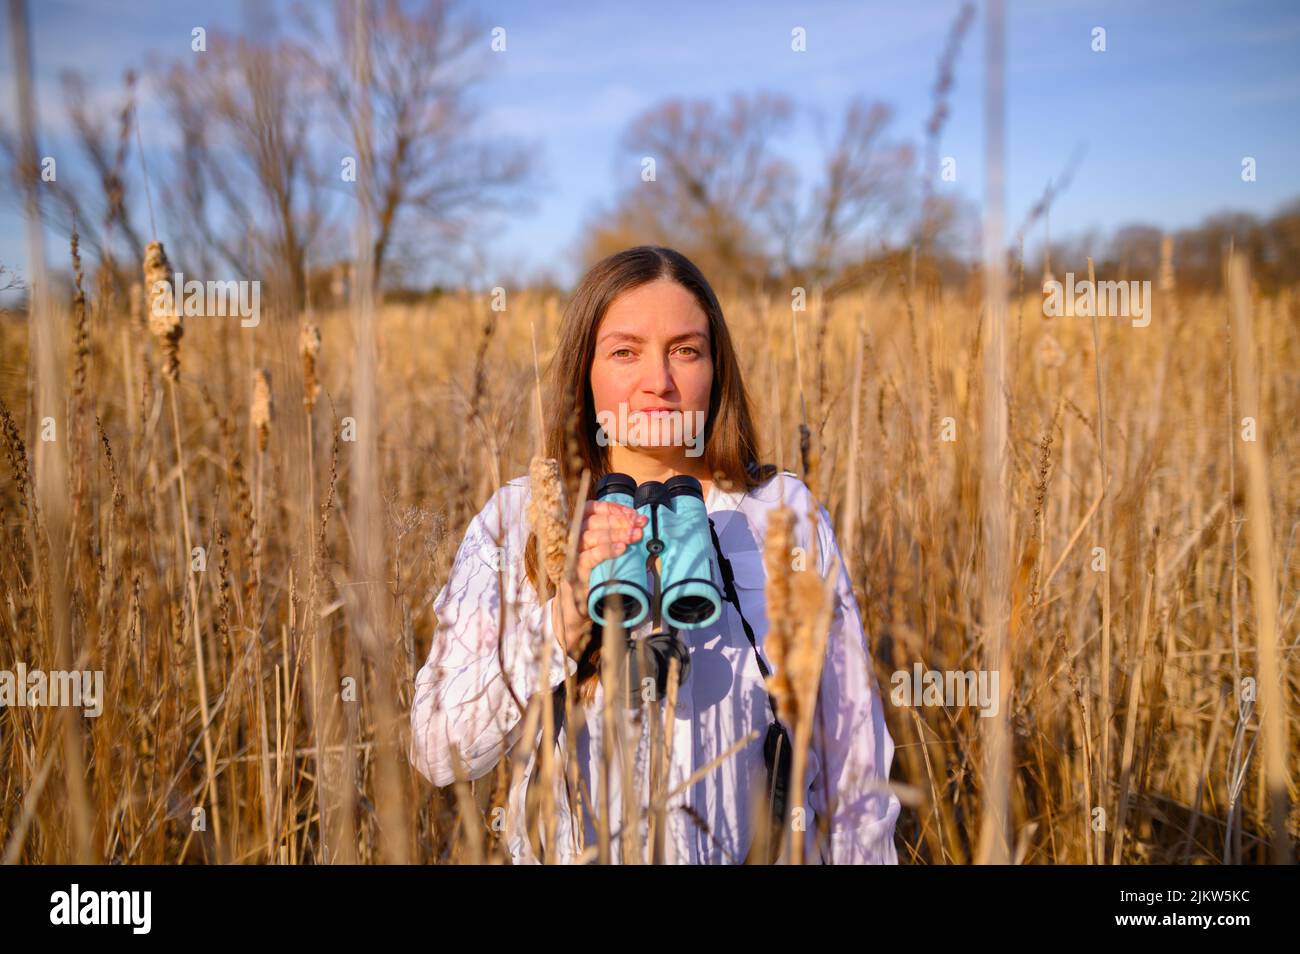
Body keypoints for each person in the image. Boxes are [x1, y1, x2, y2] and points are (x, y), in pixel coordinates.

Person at [409, 246, 899, 864]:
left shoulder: (780, 513)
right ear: (583, 372)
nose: (659, 381)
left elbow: (854, 762)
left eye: (685, 350)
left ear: (716, 367)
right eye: (624, 351)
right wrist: (559, 626)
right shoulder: (524, 517)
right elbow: (436, 749)